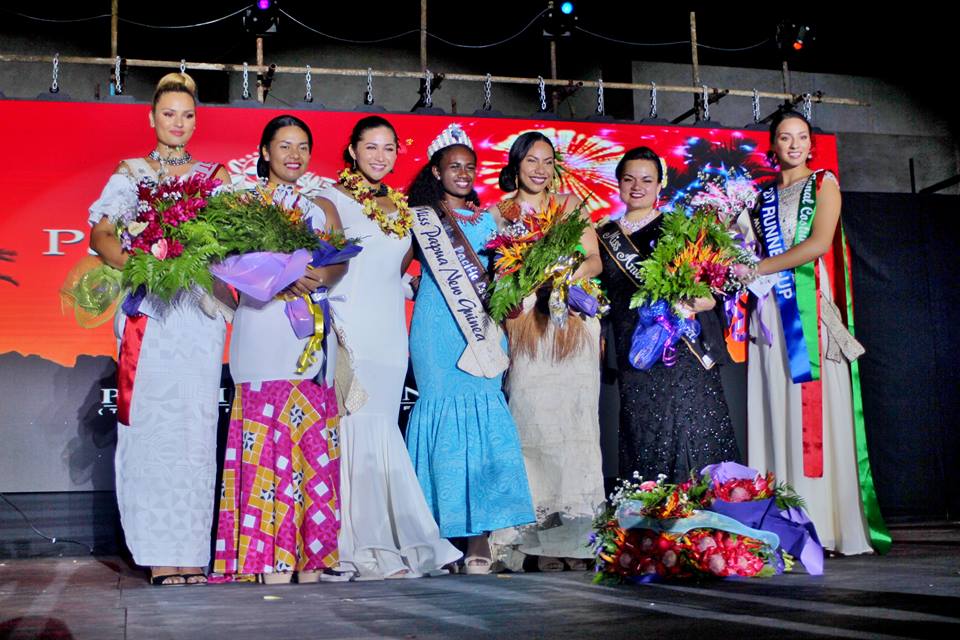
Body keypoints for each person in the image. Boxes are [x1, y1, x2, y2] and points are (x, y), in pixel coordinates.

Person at [87, 72, 232, 586]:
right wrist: (140, 265)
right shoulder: (130, 174)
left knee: (193, 433)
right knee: (153, 432)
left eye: (188, 115)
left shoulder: (216, 179)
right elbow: (102, 232)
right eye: (169, 113)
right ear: (151, 118)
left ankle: (191, 553)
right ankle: (156, 553)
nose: (178, 123)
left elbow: (233, 245)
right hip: (152, 317)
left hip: (197, 318)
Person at [318, 116, 461, 579]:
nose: (380, 156)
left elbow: (397, 271)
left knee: (381, 425)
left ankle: (393, 538)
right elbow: (325, 267)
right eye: (371, 147)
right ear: (353, 150)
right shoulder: (329, 197)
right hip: (349, 325)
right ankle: (351, 543)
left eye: (389, 148)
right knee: (351, 423)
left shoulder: (403, 207)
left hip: (390, 332)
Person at [745, 110, 889, 555]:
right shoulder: (759, 197)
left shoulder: (823, 183)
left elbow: (819, 243)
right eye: (784, 138)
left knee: (812, 413)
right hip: (769, 311)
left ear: (811, 145)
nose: (793, 145)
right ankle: (781, 523)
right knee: (774, 408)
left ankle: (823, 523)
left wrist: (758, 266)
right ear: (773, 146)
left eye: (801, 137)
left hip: (809, 309)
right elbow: (747, 245)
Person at [212, 115, 346, 584]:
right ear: (264, 151)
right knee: (263, 441)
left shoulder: (322, 206)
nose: (294, 154)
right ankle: (264, 560)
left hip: (306, 335)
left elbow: (339, 264)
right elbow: (220, 265)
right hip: (260, 328)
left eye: (303, 146)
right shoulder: (241, 203)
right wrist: (268, 280)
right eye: (284, 145)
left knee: (310, 442)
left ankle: (311, 559)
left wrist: (314, 277)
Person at [404, 125, 535, 575]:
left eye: (470, 167)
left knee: (481, 422)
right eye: (454, 166)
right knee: (441, 420)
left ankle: (478, 536)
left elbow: (506, 276)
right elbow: (394, 270)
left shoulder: (493, 219)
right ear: (436, 171)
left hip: (480, 327)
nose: (463, 173)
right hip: (435, 330)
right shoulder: (417, 217)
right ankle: (440, 535)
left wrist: (515, 293)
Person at [487, 131, 605, 572]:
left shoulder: (572, 206)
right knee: (530, 423)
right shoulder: (498, 213)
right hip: (526, 327)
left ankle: (575, 540)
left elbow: (593, 260)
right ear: (515, 164)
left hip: (573, 325)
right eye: (531, 160)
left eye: (547, 160)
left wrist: (563, 272)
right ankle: (530, 541)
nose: (539, 168)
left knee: (576, 426)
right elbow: (495, 272)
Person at [597, 146, 739, 484]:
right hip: (634, 350)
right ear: (618, 184)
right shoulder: (603, 237)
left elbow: (711, 289)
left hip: (678, 348)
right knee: (644, 430)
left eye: (647, 179)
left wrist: (695, 302)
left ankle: (706, 516)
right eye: (629, 179)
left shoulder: (678, 229)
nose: (637, 186)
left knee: (692, 426)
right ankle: (650, 518)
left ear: (660, 186)